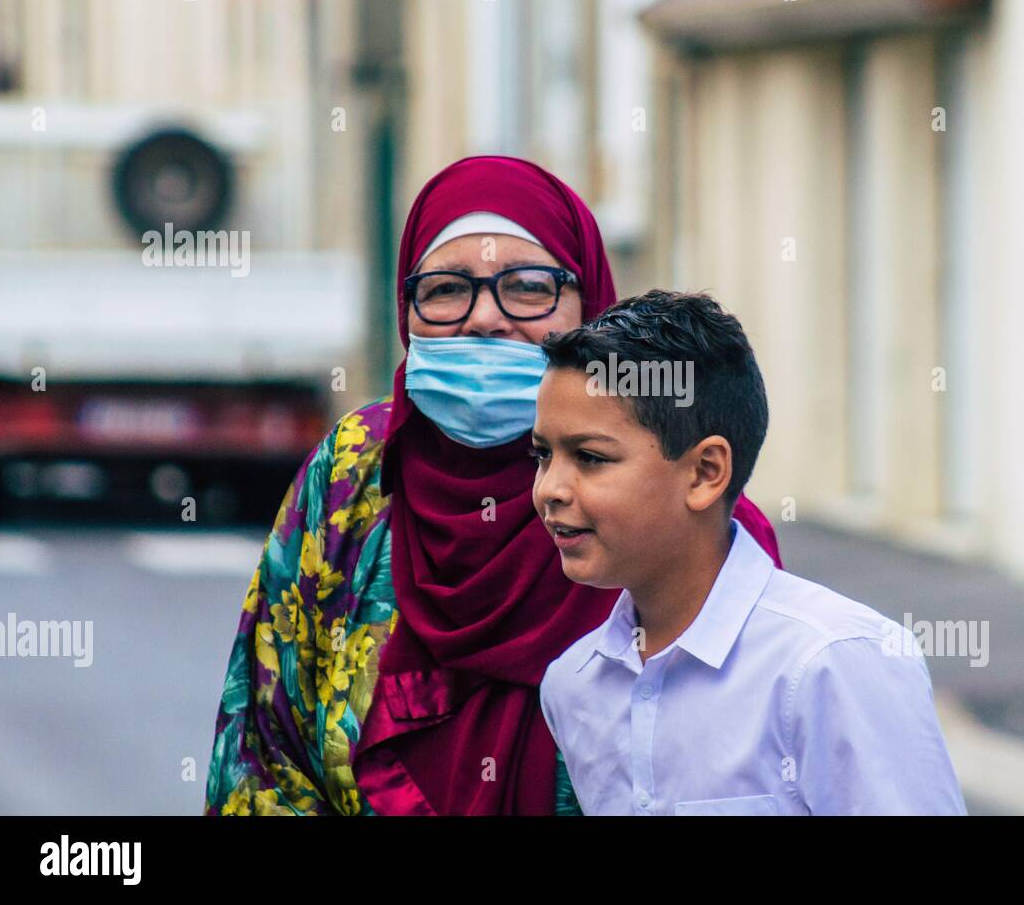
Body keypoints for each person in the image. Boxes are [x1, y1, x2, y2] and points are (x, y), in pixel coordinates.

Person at [203, 156, 783, 815]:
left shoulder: (685, 508)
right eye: (447, 288)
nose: (484, 318)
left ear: (590, 304)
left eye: (529, 287)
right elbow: (269, 747)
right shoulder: (354, 473)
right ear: (406, 307)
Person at [533, 291, 966, 814]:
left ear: (705, 472)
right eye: (542, 455)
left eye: (590, 457)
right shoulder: (573, 685)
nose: (550, 488)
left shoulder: (832, 663)